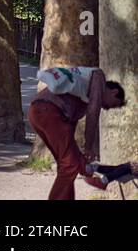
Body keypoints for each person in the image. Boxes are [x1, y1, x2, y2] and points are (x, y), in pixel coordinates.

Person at [28, 66, 128, 199]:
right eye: (113, 105)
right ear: (114, 92)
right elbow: (93, 114)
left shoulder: (83, 95)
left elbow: (70, 124)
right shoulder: (98, 77)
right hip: (49, 111)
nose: (108, 108)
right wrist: (89, 147)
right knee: (70, 165)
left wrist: (80, 155)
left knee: (68, 165)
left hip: (36, 112)